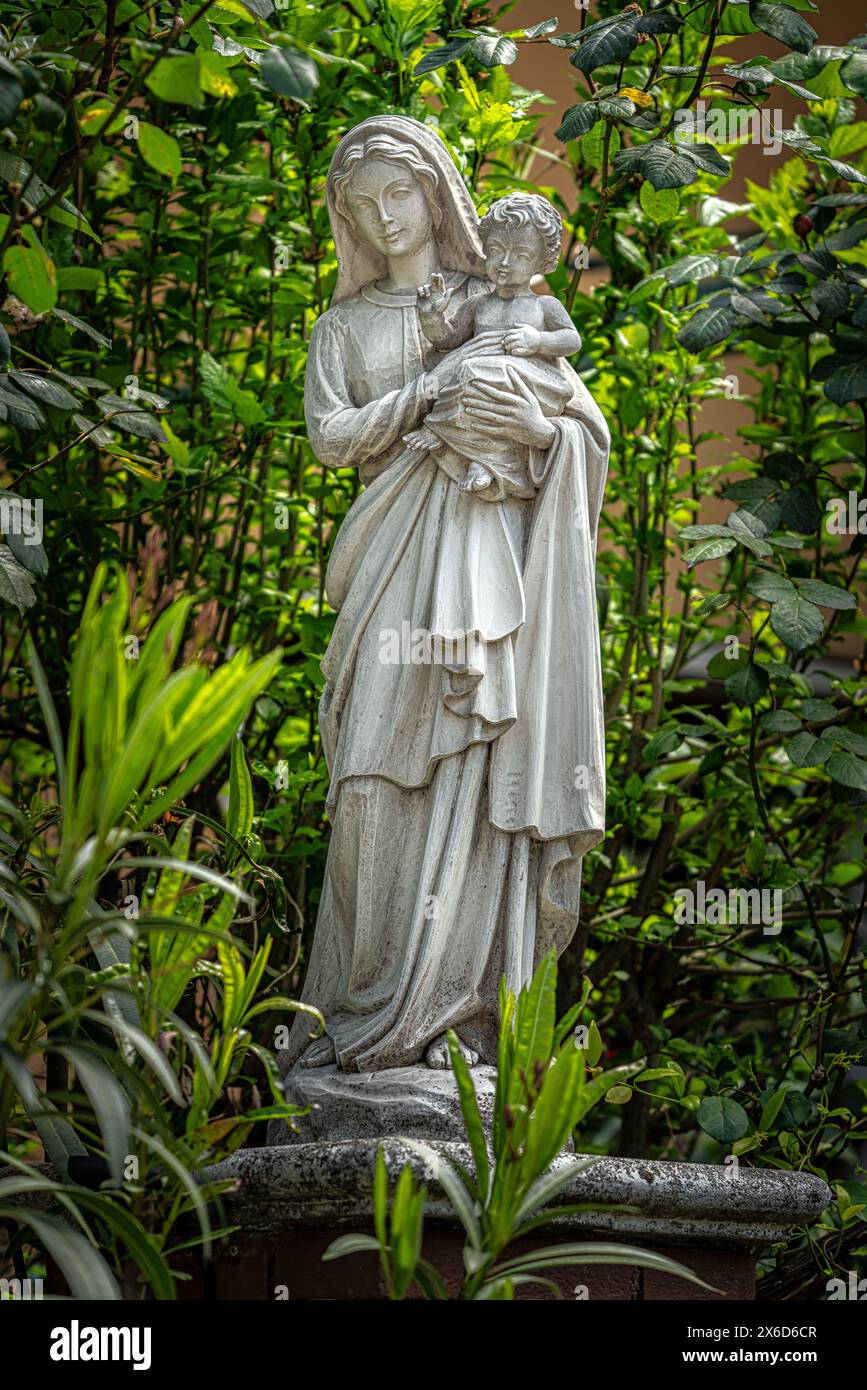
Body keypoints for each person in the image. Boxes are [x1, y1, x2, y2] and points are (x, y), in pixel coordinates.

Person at [278, 115, 609, 1088]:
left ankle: (454, 1030)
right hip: (389, 570)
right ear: (346, 218)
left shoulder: (500, 298)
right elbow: (335, 438)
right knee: (372, 776)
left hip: (483, 568)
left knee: (475, 777)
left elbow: (579, 429)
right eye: (363, 202)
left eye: (401, 192)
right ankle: (362, 1019)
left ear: (436, 194)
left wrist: (542, 437)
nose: (386, 216)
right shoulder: (341, 329)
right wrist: (428, 393)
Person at [408, 192, 582, 499]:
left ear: (544, 262)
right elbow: (448, 339)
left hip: (529, 383)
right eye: (495, 250)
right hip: (483, 382)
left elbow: (571, 340)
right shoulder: (479, 305)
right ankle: (480, 459)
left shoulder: (545, 306)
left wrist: (537, 340)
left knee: (482, 382)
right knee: (467, 379)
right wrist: (431, 314)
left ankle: (457, 443)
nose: (504, 263)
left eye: (521, 256)